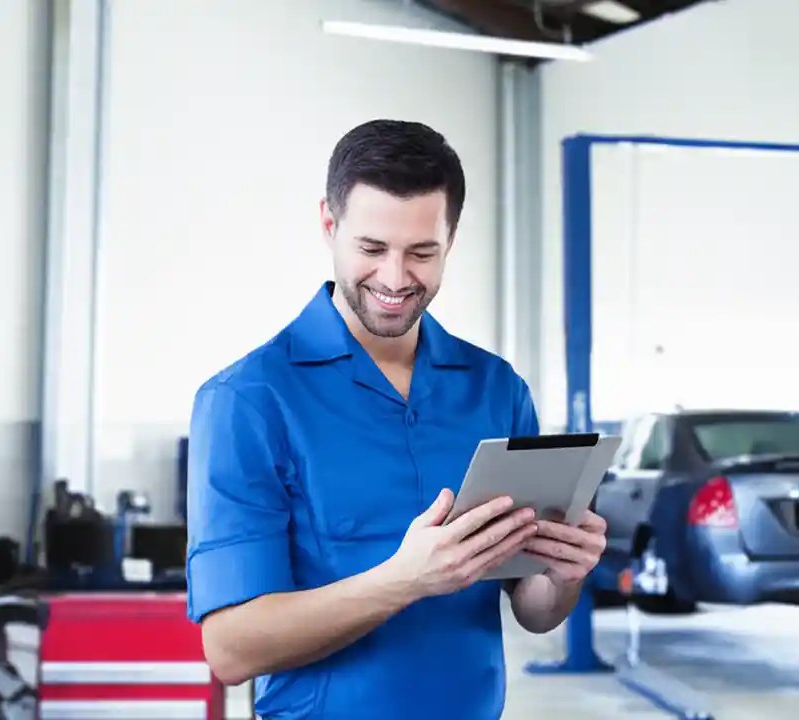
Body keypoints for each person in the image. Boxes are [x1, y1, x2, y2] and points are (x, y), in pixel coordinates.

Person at [184, 119, 607, 719]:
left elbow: (534, 611)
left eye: (421, 253)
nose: (394, 277)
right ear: (329, 226)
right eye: (372, 248)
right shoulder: (248, 400)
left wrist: (566, 572)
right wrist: (406, 579)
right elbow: (230, 649)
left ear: (451, 240)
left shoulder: (496, 389)